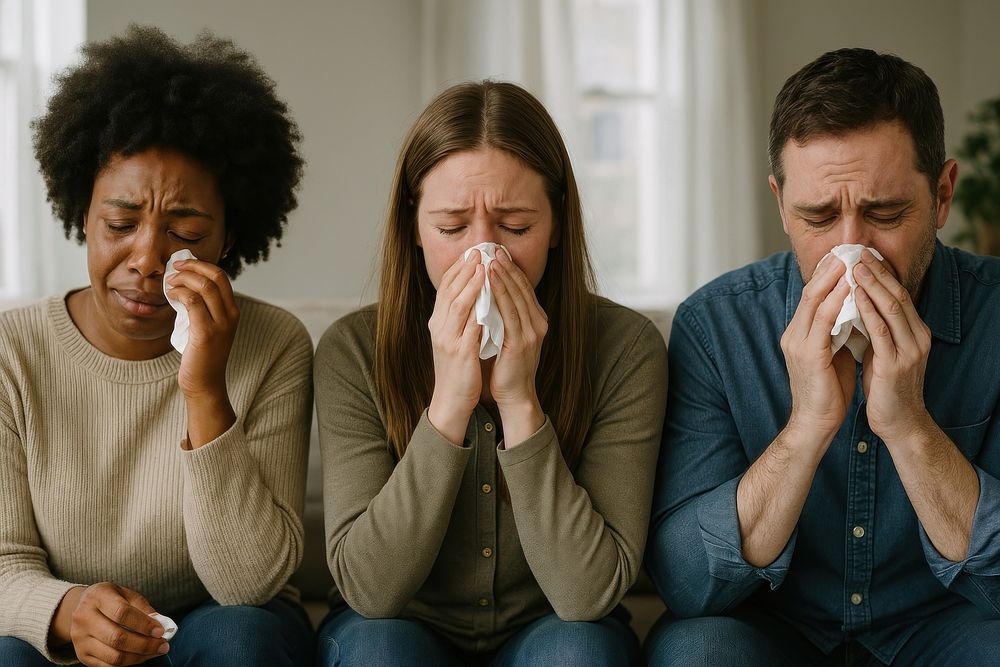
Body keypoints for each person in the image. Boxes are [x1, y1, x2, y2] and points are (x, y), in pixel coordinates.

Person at [645, 47, 1000, 665]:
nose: (851, 249)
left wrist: (910, 426)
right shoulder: (717, 326)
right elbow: (686, 581)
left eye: (885, 213)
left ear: (942, 195)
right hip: (777, 630)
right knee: (694, 649)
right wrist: (806, 428)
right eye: (817, 217)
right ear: (781, 203)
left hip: (944, 627)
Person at [313, 80, 667, 665]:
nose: (486, 256)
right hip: (400, 626)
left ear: (556, 225)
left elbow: (588, 594)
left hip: (553, 625)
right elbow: (370, 591)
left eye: (517, 228)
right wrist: (449, 405)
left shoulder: (626, 348)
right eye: (452, 229)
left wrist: (519, 401)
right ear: (413, 227)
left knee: (579, 653)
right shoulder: (351, 351)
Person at [0, 26, 314, 666]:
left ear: (228, 238)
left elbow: (248, 585)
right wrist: (65, 611)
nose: (147, 259)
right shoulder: (12, 351)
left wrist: (205, 387)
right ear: (81, 215)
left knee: (239, 636)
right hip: (71, 621)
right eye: (119, 224)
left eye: (187, 232)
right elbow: (5, 560)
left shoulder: (275, 345)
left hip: (220, 622)